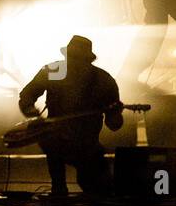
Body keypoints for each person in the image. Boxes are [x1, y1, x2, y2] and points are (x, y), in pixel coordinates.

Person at [18, 35, 123, 197]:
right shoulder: (54, 71)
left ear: (88, 60)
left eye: (77, 58)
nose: (72, 63)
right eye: (70, 57)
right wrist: (29, 109)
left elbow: (114, 125)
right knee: (44, 132)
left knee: (101, 192)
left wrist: (115, 113)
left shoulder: (104, 81)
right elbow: (27, 94)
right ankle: (58, 187)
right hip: (57, 139)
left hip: (88, 146)